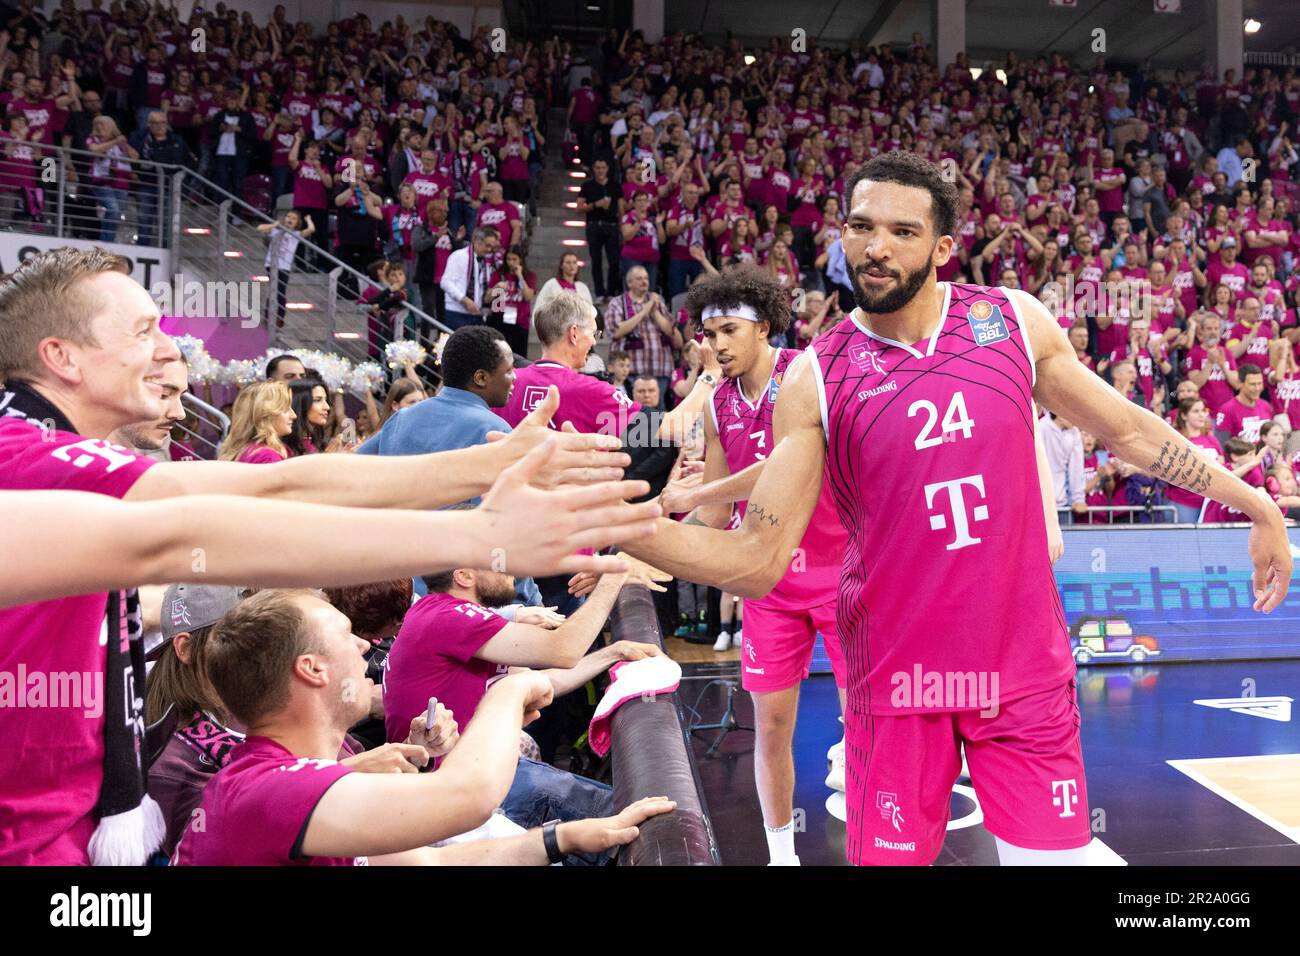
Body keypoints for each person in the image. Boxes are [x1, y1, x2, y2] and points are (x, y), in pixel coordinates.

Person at [621, 153, 1291, 866]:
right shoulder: (816, 378)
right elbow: (755, 559)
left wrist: (1254, 503)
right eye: (861, 226)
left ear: (942, 248)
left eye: (902, 232)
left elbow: (1125, 429)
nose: (876, 247)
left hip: (1024, 674)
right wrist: (623, 527)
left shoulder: (1012, 321)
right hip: (897, 684)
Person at [0, 247, 658, 864]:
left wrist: (489, 466)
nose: (169, 349)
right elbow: (214, 523)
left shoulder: (48, 454)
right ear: (63, 356)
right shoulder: (24, 457)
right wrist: (481, 533)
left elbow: (285, 486)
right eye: (143, 331)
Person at [173, 589, 674, 865]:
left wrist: (561, 839)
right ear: (312, 669)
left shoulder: (283, 776)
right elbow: (469, 795)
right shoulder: (270, 789)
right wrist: (505, 694)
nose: (367, 649)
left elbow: (431, 865)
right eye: (348, 637)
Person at [652, 265, 849, 865]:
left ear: (764, 327)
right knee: (770, 728)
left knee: (868, 722)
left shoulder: (808, 374)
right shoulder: (716, 407)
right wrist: (636, 544)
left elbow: (783, 467)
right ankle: (781, 855)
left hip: (842, 572)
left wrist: (693, 496)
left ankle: (871, 823)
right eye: (709, 336)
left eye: (729, 331)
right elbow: (713, 522)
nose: (717, 347)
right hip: (769, 583)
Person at [383, 560, 663, 861]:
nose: (512, 567)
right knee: (635, 827)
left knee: (622, 818)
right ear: (464, 576)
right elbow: (563, 649)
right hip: (454, 801)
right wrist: (613, 577)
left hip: (466, 780)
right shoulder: (449, 616)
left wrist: (613, 653)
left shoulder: (441, 612)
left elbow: (543, 681)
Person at [358, 325, 514, 468]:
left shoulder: (400, 419)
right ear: (480, 378)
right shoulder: (496, 432)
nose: (514, 377)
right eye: (508, 371)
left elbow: (356, 467)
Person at [218, 380, 296, 464]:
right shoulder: (267, 457)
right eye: (285, 410)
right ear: (265, 415)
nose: (294, 415)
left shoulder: (245, 449)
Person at [577, 157, 622, 299]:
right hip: (594, 226)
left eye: (603, 168)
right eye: (597, 168)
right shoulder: (587, 185)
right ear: (593, 169)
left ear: (607, 169)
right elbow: (579, 207)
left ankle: (610, 292)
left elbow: (621, 209)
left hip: (612, 226)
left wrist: (621, 227)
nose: (600, 171)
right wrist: (596, 204)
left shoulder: (615, 186)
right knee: (596, 261)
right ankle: (599, 292)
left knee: (614, 261)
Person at [441, 227, 500, 330]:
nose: (489, 250)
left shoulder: (486, 262)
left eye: (492, 247)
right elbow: (445, 282)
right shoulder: (459, 256)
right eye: (487, 245)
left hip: (476, 313)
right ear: (477, 241)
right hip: (456, 312)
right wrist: (464, 300)